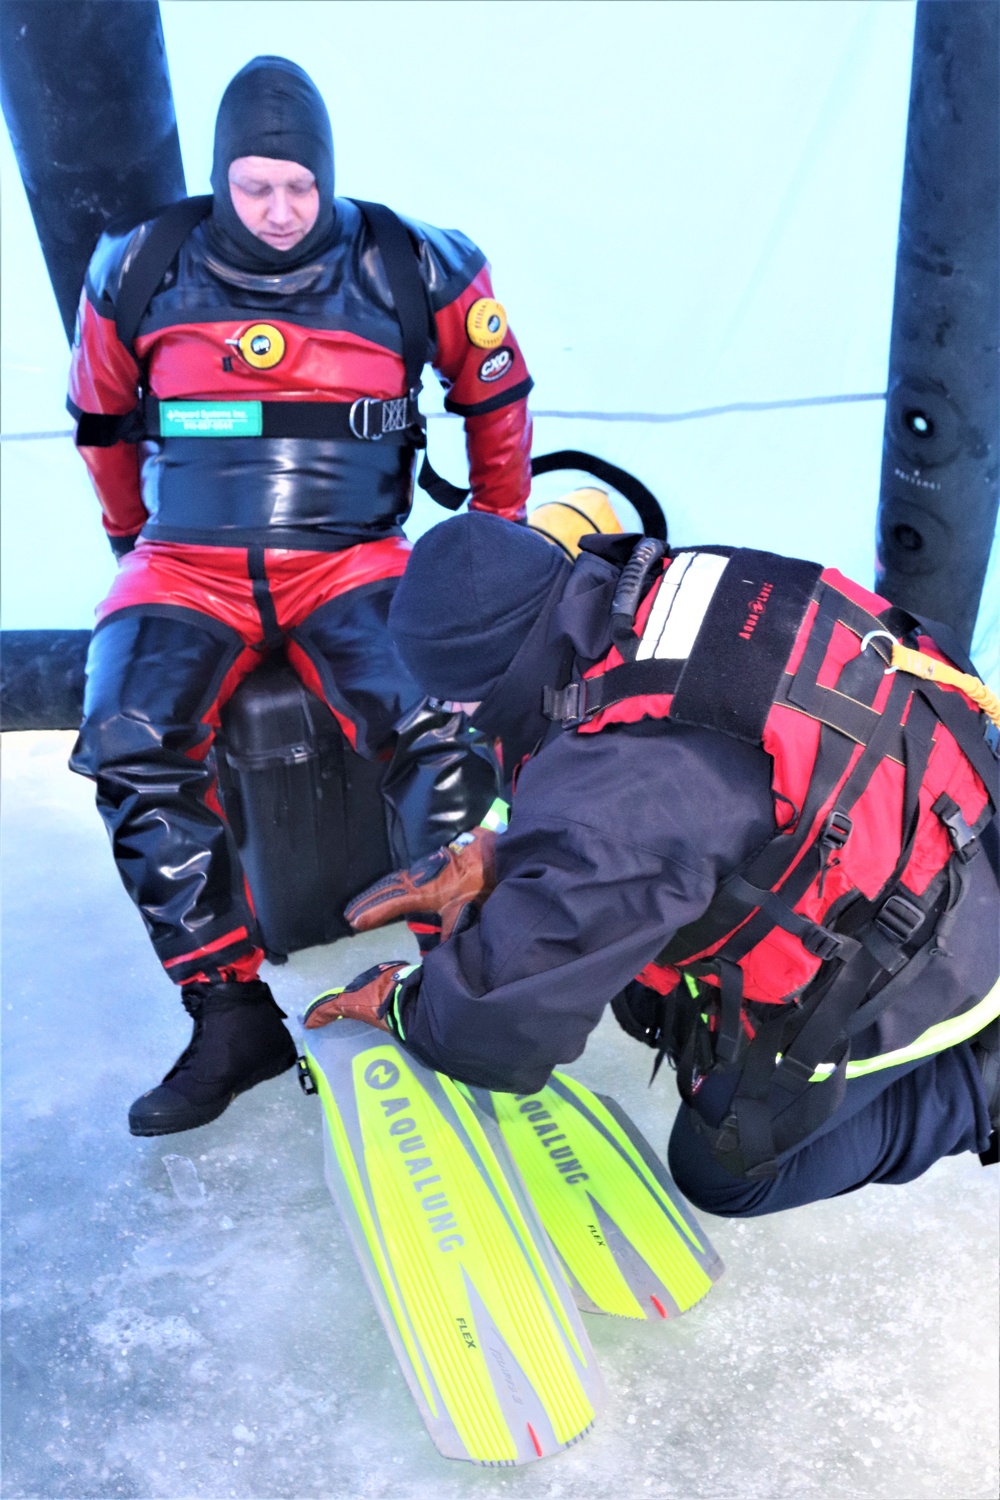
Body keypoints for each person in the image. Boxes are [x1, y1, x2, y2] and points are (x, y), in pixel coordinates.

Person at [67, 57, 532, 1137]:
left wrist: (494, 542)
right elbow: (101, 424)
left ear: (329, 179)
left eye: (300, 189)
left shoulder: (417, 262)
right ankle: (230, 1016)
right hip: (185, 562)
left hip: (353, 557)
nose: (279, 211)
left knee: (442, 721)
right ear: (221, 181)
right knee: (127, 735)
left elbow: (495, 397)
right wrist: (131, 548)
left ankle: (463, 992)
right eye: (254, 188)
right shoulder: (137, 264)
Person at [304, 513, 1000, 1215]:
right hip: (961, 818)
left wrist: (406, 1004)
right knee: (635, 972)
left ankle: (986, 1083)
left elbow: (502, 1023)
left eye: (459, 702)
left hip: (942, 945)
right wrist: (512, 856)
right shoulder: (654, 589)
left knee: (726, 1167)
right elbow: (679, 793)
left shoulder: (609, 797)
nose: (462, 720)